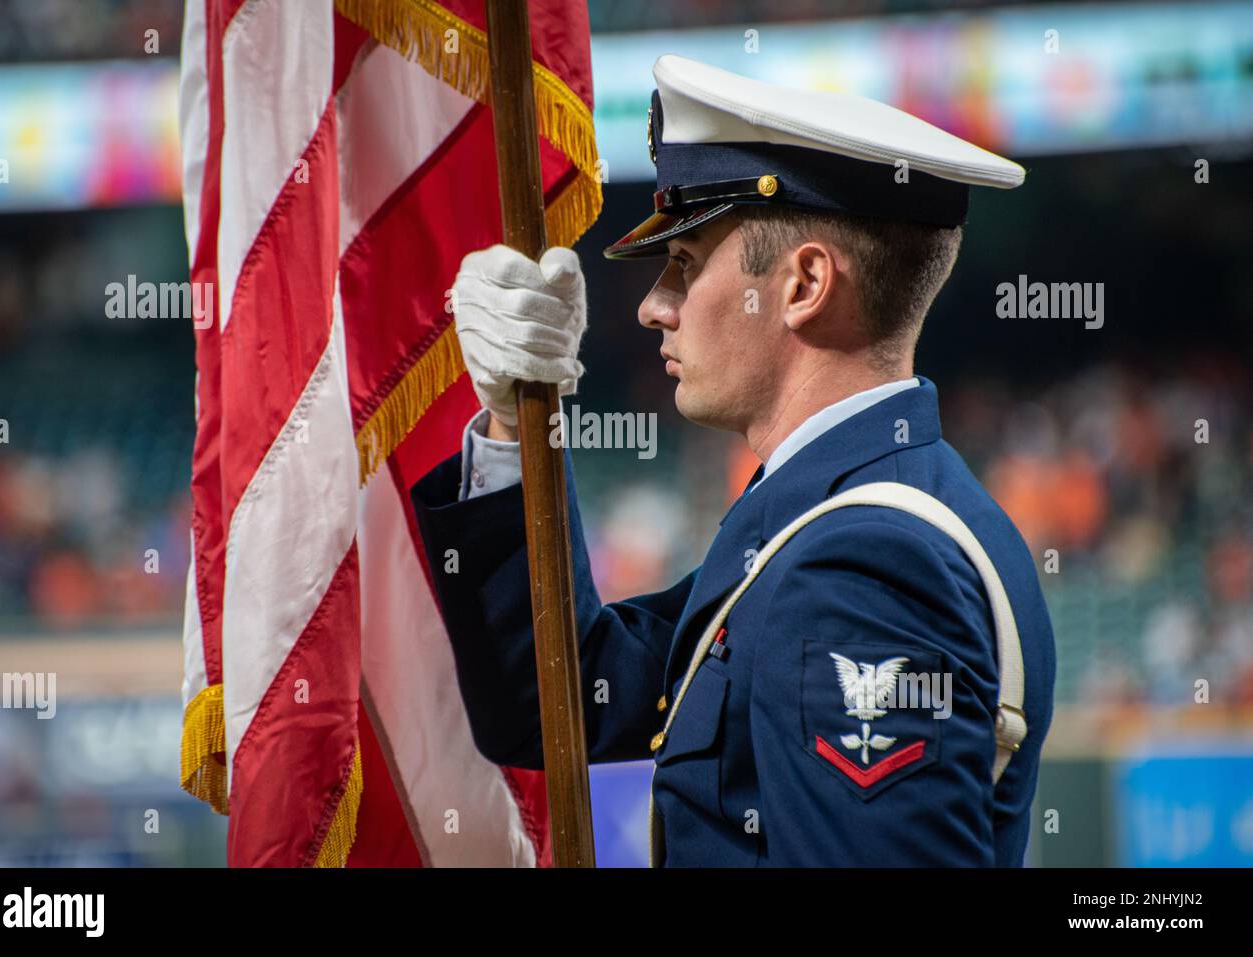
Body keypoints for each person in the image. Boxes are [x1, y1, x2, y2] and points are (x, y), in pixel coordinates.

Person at [411, 55, 1056, 866]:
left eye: (684, 263)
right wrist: (514, 423)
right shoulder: (847, 519)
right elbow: (566, 700)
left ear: (804, 284)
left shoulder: (863, 565)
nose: (652, 307)